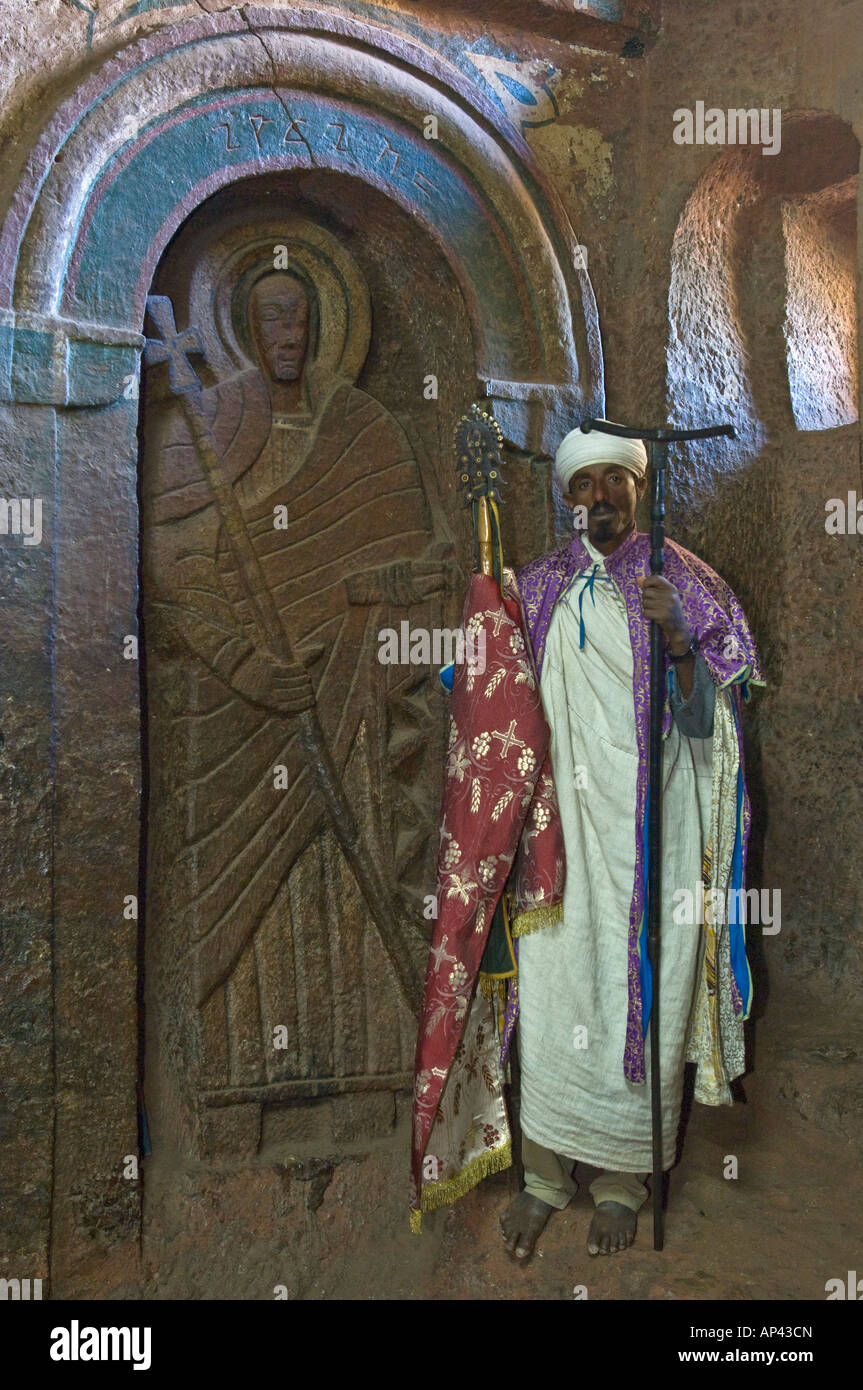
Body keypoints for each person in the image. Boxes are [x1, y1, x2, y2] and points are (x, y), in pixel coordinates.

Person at [496, 423, 762, 1259]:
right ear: (565, 496)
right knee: (554, 997)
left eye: (616, 481)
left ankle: (618, 1184)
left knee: (637, 993)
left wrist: (680, 638)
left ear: (637, 492)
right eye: (585, 484)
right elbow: (495, 712)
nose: (600, 497)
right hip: (561, 840)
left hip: (656, 838)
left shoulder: (687, 581)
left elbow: (707, 731)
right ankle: (542, 1177)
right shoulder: (531, 589)